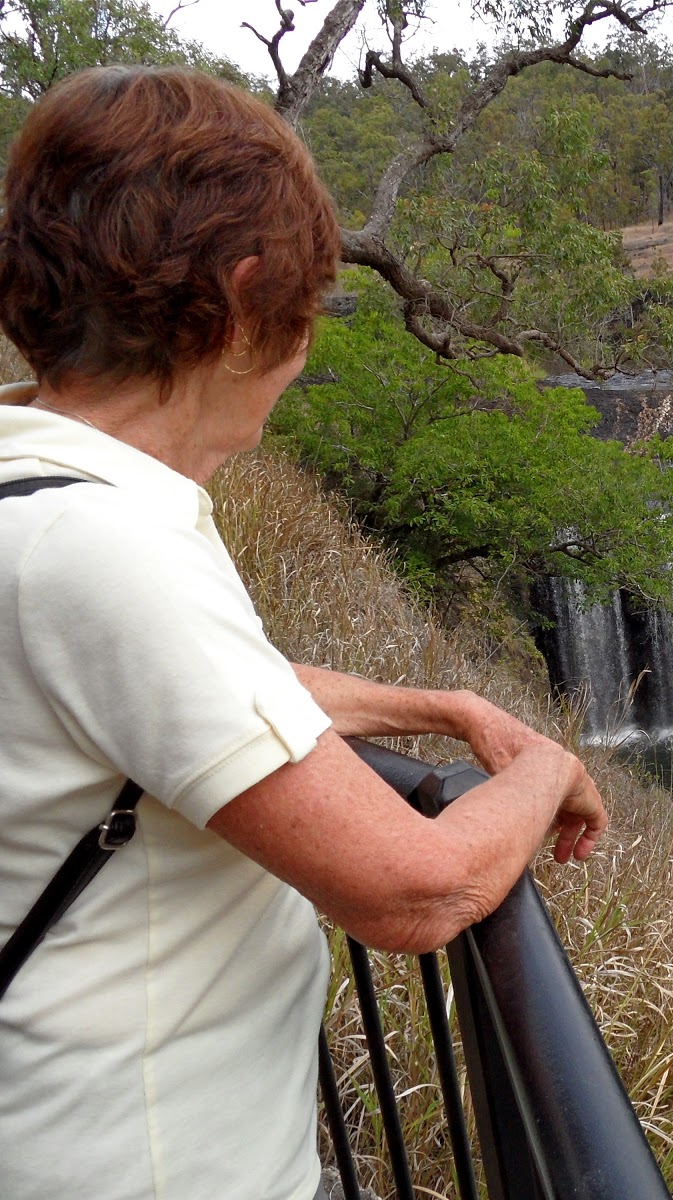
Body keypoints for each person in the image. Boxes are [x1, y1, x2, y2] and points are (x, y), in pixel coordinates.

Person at [0, 66, 608, 1200]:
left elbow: (189, 694)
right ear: (240, 307)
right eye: (306, 310)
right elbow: (415, 892)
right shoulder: (102, 550)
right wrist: (546, 771)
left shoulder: (32, 493)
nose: (305, 348)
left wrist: (442, 710)